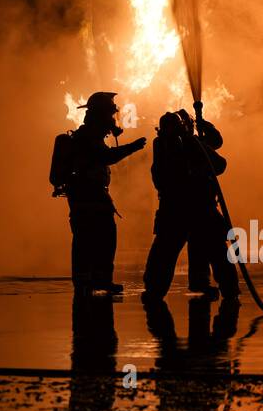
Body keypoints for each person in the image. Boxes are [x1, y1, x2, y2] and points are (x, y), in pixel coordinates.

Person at [141, 110, 240, 303]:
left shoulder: (161, 145)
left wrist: (203, 128)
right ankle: (229, 291)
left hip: (173, 210)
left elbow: (214, 143)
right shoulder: (190, 144)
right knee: (217, 253)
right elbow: (220, 164)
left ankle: (155, 290)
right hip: (198, 209)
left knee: (164, 253)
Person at [64, 92, 146, 296]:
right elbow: (106, 157)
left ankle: (97, 281)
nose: (113, 119)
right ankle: (87, 282)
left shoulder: (90, 136)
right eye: (110, 114)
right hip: (87, 197)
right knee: (93, 239)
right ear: (99, 115)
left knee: (101, 238)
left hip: (92, 197)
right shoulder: (86, 138)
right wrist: (133, 147)